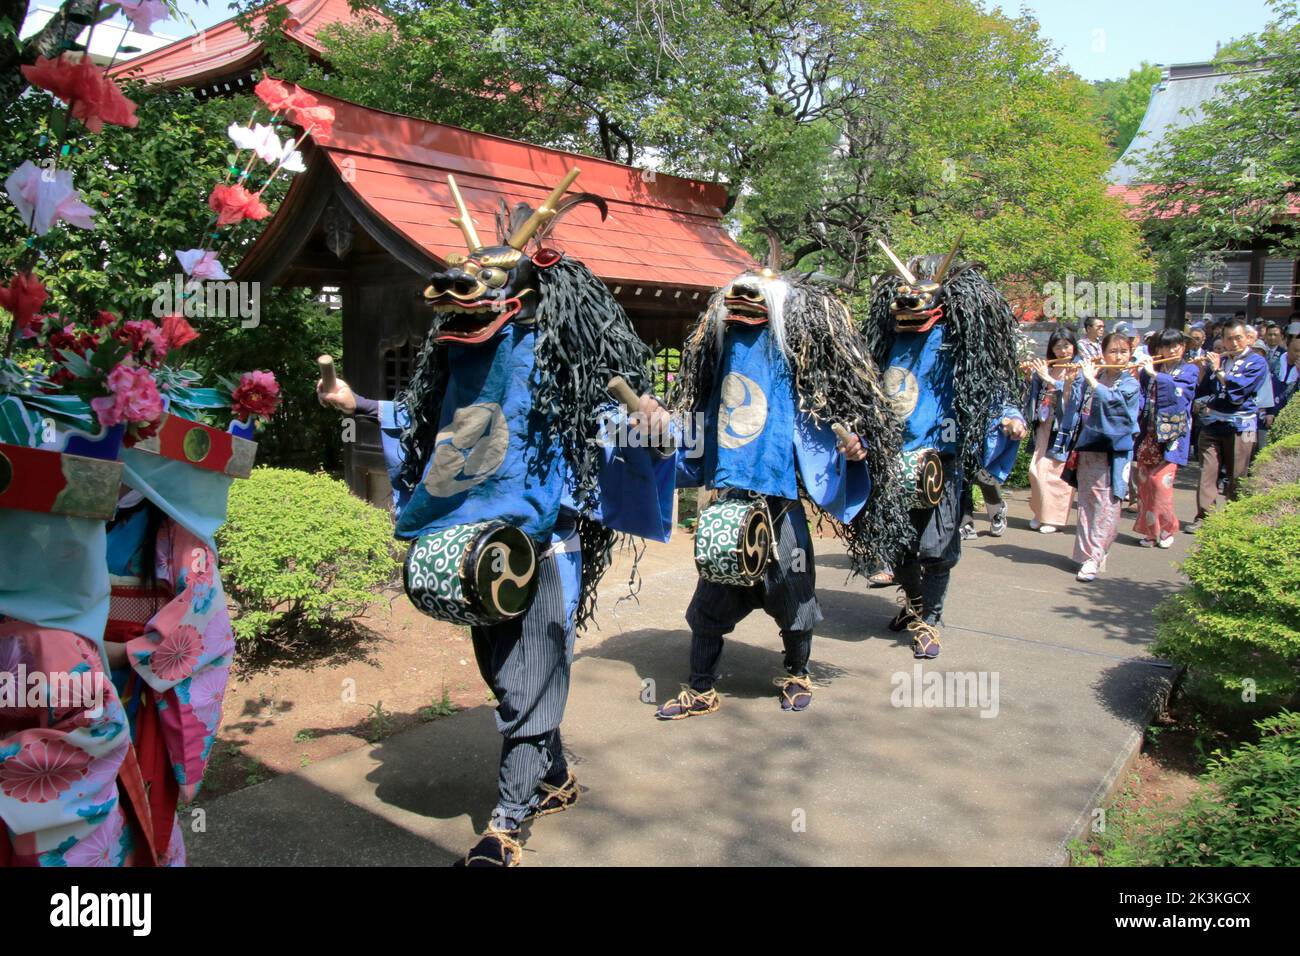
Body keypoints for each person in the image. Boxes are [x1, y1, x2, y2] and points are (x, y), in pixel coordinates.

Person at [319, 171, 676, 867]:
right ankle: (558, 775)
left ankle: (506, 826)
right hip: (471, 549)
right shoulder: (459, 364)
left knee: (525, 680)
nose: (463, 300)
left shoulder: (556, 359)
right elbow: (432, 428)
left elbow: (614, 427)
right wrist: (355, 403)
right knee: (506, 675)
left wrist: (654, 426)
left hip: (539, 550)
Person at [655, 257, 909, 718]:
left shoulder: (801, 376)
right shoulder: (718, 374)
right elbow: (691, 428)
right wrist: (656, 432)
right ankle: (701, 686)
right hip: (730, 503)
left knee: (794, 593)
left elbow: (834, 426)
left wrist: (853, 449)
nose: (743, 319)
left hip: (781, 506)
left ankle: (796, 671)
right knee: (710, 596)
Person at [864, 238, 1022, 659]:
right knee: (895, 542)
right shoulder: (883, 342)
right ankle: (915, 606)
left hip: (942, 458)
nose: (909, 307)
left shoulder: (960, 343)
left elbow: (992, 383)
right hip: (892, 458)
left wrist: (1010, 414)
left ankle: (929, 620)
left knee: (935, 547)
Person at [1187, 318, 1269, 532]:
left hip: (1241, 426)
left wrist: (1218, 371)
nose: (1233, 343)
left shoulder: (1257, 362)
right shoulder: (1220, 359)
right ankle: (1205, 517)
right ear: (1222, 339)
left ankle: (1234, 518)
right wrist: (1204, 371)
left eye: (1238, 338)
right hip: (1213, 422)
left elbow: (1238, 392)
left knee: (1237, 475)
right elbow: (1205, 390)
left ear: (1248, 339)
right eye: (1229, 339)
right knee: (1208, 471)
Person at [1072, 333, 1141, 581]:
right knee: (1087, 503)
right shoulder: (1097, 375)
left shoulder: (1130, 383)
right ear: (1103, 353)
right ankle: (1086, 554)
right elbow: (1074, 405)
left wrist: (1092, 382)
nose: (1118, 356)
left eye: (1123, 351)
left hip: (1113, 452)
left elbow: (1118, 409)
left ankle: (1095, 556)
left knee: (1107, 505)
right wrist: (1073, 380)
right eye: (1113, 351)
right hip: (1089, 448)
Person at [1132, 329, 1199, 548]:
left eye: (1177, 345)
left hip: (1171, 438)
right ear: (1158, 349)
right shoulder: (1149, 370)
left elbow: (1182, 395)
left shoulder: (1189, 370)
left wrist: (1156, 375)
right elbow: (1140, 400)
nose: (1173, 350)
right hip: (1149, 436)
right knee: (1144, 484)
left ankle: (1168, 528)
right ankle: (1150, 532)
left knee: (1160, 484)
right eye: (1167, 346)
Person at [1025, 327, 1080, 534]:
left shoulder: (1078, 368)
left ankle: (1054, 518)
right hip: (1045, 423)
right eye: (1058, 347)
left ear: (1073, 346)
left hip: (1063, 427)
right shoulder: (1052, 366)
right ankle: (1040, 513)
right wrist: (1032, 378)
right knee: (1036, 470)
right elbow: (1037, 392)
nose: (1062, 351)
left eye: (1066, 346)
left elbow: (1073, 397)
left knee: (1055, 473)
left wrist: (1047, 378)